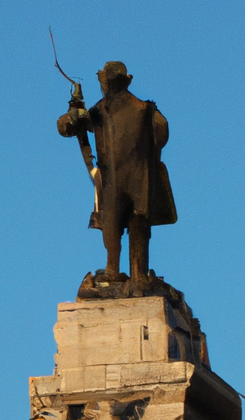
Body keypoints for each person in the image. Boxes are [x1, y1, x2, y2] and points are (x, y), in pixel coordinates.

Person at [57, 61, 176, 282]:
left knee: (133, 224)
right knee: (115, 224)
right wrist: (75, 110)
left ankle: (133, 273)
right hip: (121, 179)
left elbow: (161, 133)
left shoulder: (140, 110)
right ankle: (118, 270)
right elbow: (65, 127)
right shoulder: (103, 111)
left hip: (132, 178)